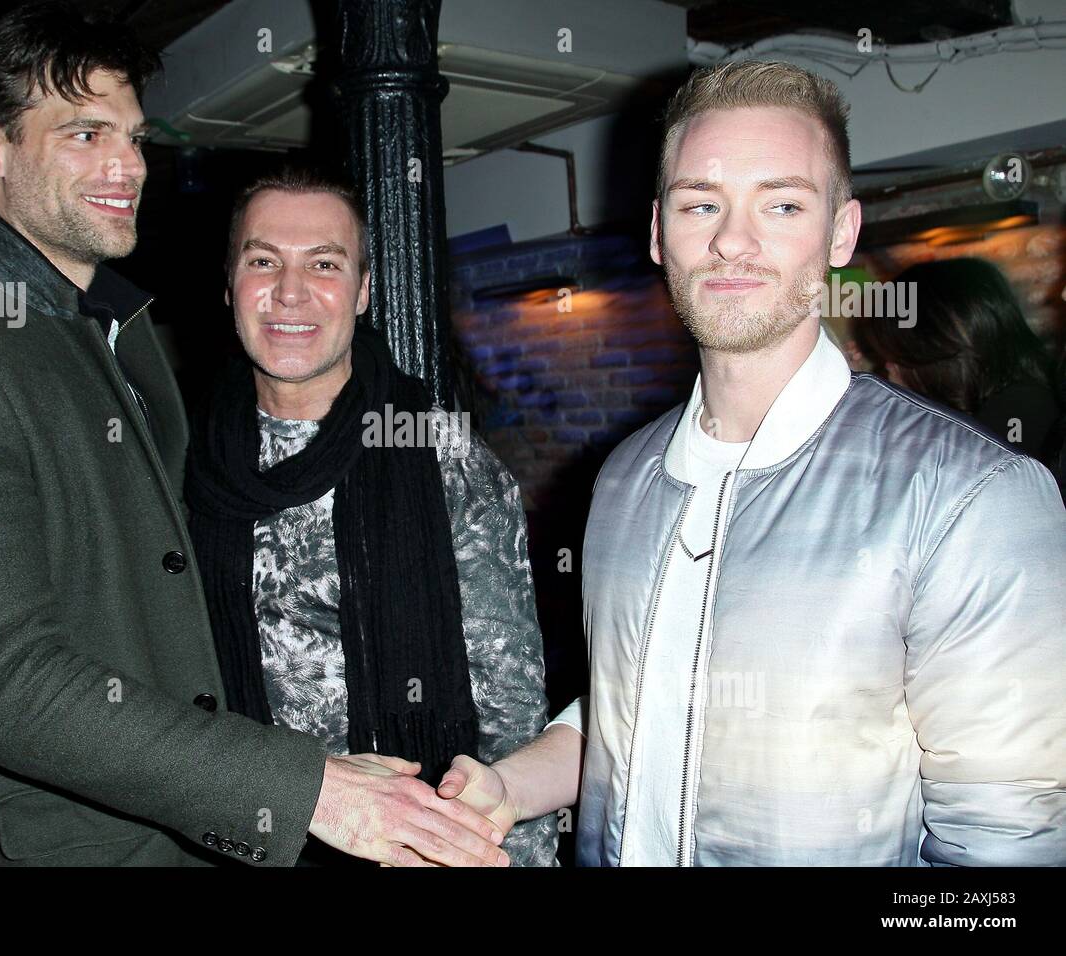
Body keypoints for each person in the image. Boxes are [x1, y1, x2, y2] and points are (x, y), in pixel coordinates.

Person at [0, 1, 507, 867]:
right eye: (84, 134)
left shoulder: (120, 343)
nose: (126, 164)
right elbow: (7, 685)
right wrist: (305, 786)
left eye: (132, 137)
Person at [436, 60, 1066, 866]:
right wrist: (511, 787)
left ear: (841, 232)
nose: (733, 240)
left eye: (783, 204)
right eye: (704, 203)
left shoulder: (971, 495)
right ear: (660, 232)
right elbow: (634, 712)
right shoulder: (625, 479)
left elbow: (1005, 854)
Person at [184, 167, 558, 866]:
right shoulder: (175, 455)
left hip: (408, 846)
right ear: (229, 283)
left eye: (324, 264)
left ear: (361, 291)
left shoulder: (443, 459)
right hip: (228, 838)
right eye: (264, 261)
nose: (291, 291)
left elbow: (509, 706)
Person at [854, 257, 1065, 471]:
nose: (888, 367)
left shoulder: (1011, 416)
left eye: (896, 355)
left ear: (932, 348)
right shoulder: (1024, 397)